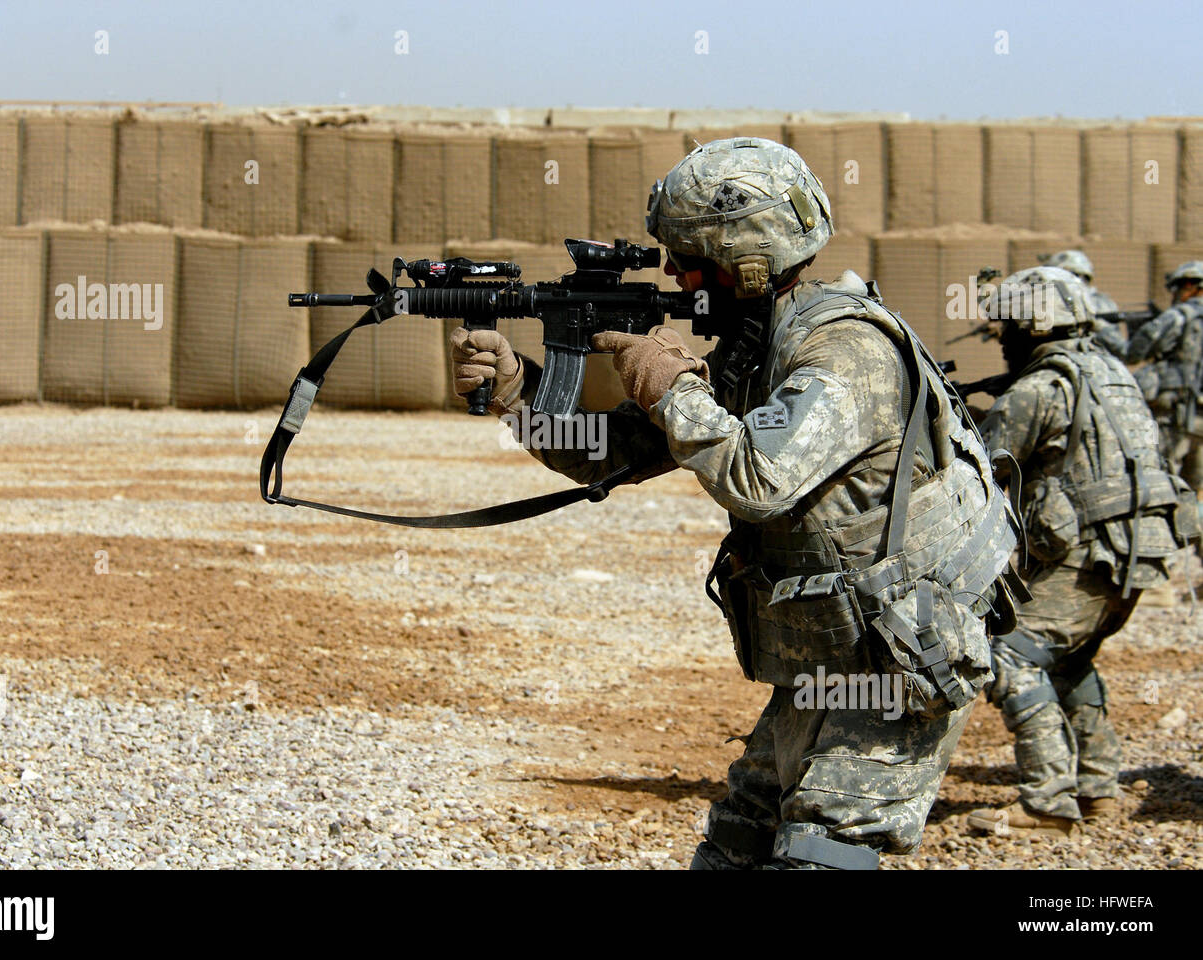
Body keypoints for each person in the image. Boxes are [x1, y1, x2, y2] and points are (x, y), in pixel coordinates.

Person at [451, 137, 1022, 869]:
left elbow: (755, 478)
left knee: (819, 851)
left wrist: (667, 379)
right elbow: (623, 453)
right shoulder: (758, 344)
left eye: (686, 258)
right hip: (839, 654)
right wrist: (518, 393)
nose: (670, 273)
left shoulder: (844, 349)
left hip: (903, 660)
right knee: (739, 841)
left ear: (746, 258)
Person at [965, 267, 1198, 837]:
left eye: (1007, 332)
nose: (1002, 341)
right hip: (1136, 554)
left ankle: (1047, 803)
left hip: (1089, 558)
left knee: (1012, 656)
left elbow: (981, 478)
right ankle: (1097, 787)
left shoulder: (1037, 389)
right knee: (1065, 660)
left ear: (1031, 329)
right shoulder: (1111, 374)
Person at [1122, 261, 1203, 499]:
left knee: (1160, 474)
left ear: (1189, 285)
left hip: (1170, 415)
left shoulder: (1179, 315)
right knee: (1195, 487)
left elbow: (1134, 353)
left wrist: (1105, 332)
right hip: (1198, 420)